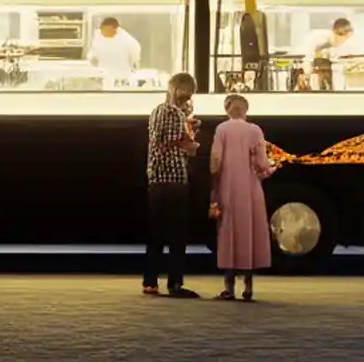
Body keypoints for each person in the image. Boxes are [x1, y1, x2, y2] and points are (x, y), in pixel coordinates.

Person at [210, 94, 274, 301]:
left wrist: (214, 185)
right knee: (249, 232)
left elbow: (216, 159)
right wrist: (270, 169)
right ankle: (248, 287)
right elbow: (262, 163)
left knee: (228, 232)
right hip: (250, 187)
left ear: (227, 109)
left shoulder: (222, 129)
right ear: (246, 109)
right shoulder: (255, 130)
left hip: (227, 186)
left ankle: (228, 287)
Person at [143, 72, 200, 298]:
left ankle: (150, 282)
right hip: (175, 178)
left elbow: (159, 139)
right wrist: (193, 142)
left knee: (155, 233)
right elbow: (181, 143)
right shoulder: (174, 113)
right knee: (177, 235)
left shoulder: (156, 111)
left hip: (156, 178)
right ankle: (175, 283)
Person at [88, 17, 142, 87]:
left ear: (115, 29)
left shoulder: (128, 40)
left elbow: (135, 57)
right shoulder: (98, 36)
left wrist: (134, 68)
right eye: (102, 30)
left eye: (107, 30)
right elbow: (92, 55)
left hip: (122, 78)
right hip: (102, 78)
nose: (103, 32)